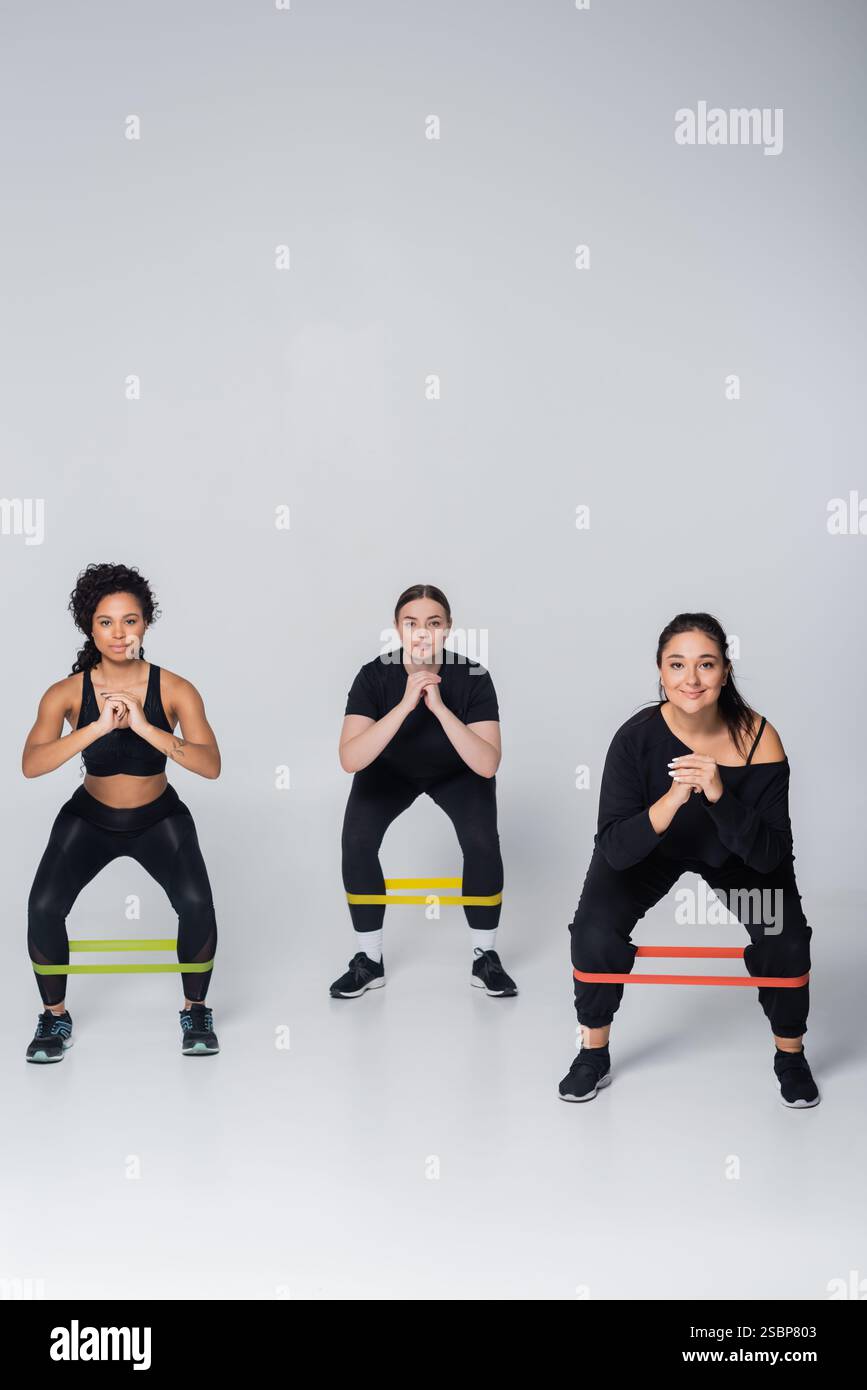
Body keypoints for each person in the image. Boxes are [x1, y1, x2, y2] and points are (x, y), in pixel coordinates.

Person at [559, 611, 818, 1109]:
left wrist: (719, 793)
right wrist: (674, 800)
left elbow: (769, 856)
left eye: (706, 664)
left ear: (725, 671)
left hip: (737, 855)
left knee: (785, 940)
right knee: (592, 931)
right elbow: (614, 846)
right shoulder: (634, 739)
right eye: (677, 665)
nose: (691, 679)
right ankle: (593, 1053)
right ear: (660, 671)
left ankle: (790, 1055)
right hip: (651, 850)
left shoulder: (760, 738)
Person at [23, 562, 222, 1061]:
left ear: (145, 625)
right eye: (107, 622)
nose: (118, 633)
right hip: (90, 818)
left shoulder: (175, 689)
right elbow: (32, 765)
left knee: (197, 903)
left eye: (129, 621)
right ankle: (54, 1017)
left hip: (159, 817)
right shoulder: (66, 693)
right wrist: (95, 728)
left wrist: (143, 725)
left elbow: (210, 765)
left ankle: (195, 1009)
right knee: (44, 906)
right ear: (90, 627)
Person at [331, 583, 517, 999]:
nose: (421, 632)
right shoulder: (373, 675)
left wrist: (438, 707)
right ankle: (369, 960)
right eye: (411, 623)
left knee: (483, 842)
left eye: (432, 623)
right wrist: (404, 704)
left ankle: (484, 957)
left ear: (447, 629)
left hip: (458, 771)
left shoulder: (473, 676)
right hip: (389, 771)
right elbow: (350, 759)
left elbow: (487, 763)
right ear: (397, 629)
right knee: (357, 842)